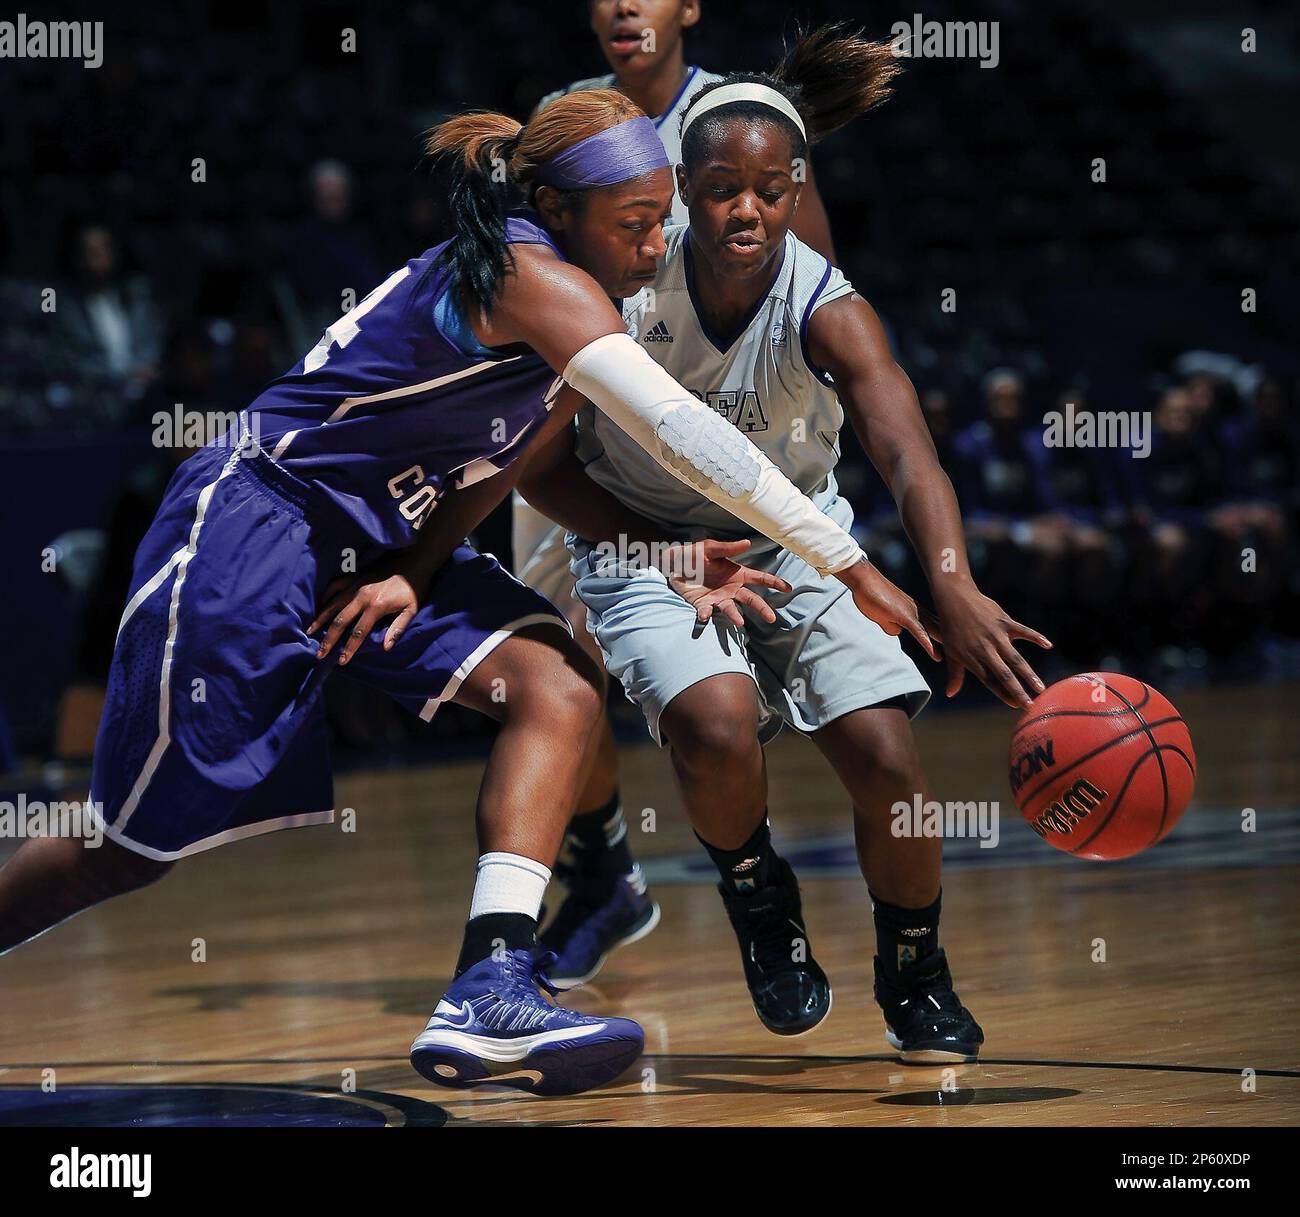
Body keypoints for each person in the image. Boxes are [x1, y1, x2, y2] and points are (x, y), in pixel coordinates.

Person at [0, 88, 911, 1095]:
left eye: (666, 219)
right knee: (129, 847)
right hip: (258, 526)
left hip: (384, 534)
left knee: (557, 684)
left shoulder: (580, 309)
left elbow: (510, 467)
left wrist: (423, 571)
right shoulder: (533, 277)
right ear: (558, 211)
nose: (658, 243)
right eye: (635, 222)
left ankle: (490, 984)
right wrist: (851, 562)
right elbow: (682, 436)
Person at [520, 28, 1051, 1061]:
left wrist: (953, 582)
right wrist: (663, 556)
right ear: (684, 188)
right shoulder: (620, 286)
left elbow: (908, 457)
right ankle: (758, 891)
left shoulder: (828, 305)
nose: (746, 212)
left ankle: (914, 969)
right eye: (721, 189)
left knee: (888, 759)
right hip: (647, 547)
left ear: (797, 189)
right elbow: (539, 468)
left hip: (798, 540)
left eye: (769, 190)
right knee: (717, 728)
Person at [517, 0, 840, 989]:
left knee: (717, 695)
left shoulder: (743, 120)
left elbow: (816, 294)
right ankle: (604, 865)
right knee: (553, 668)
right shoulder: (565, 118)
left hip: (714, 438)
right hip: (574, 430)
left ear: (688, 6)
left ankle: (748, 851)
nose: (623, 5)